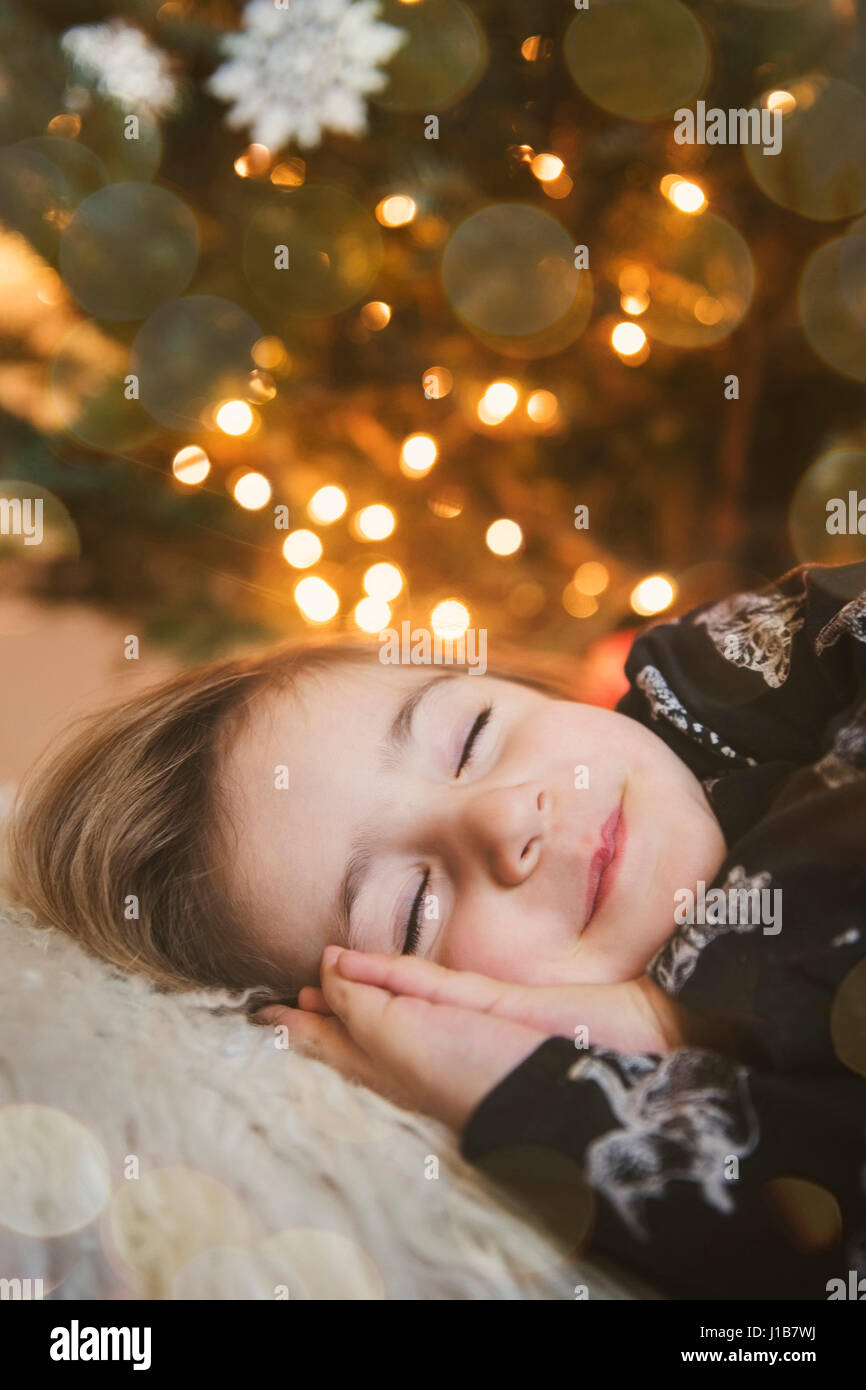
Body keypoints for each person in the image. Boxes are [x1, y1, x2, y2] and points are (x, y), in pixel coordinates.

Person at [8, 561, 866, 1300]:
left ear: (529, 689)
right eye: (414, 911)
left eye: (471, 737)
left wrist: (680, 1007)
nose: (502, 819)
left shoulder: (720, 677)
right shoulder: (689, 1103)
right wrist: (520, 1088)